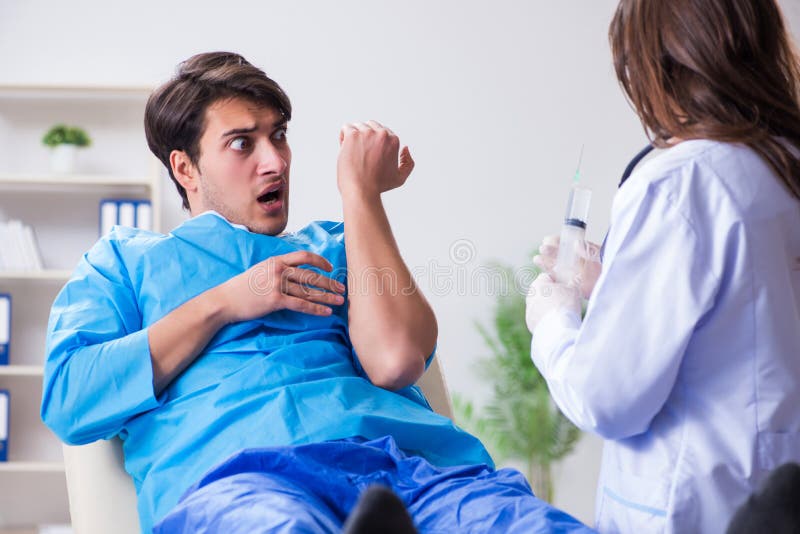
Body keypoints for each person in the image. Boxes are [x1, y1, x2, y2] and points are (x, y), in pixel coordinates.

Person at [41, 52, 592, 533]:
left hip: (414, 475)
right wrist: (225, 302)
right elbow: (70, 397)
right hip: (243, 487)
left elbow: (397, 359)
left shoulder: (336, 243)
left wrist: (361, 193)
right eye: (242, 143)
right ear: (185, 168)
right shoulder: (124, 261)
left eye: (277, 134)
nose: (275, 160)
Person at [525, 0, 800, 532]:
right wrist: (608, 287)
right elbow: (747, 323)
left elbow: (607, 397)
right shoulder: (783, 163)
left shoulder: (680, 183)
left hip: (698, 509)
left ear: (663, 64)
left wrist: (554, 318)